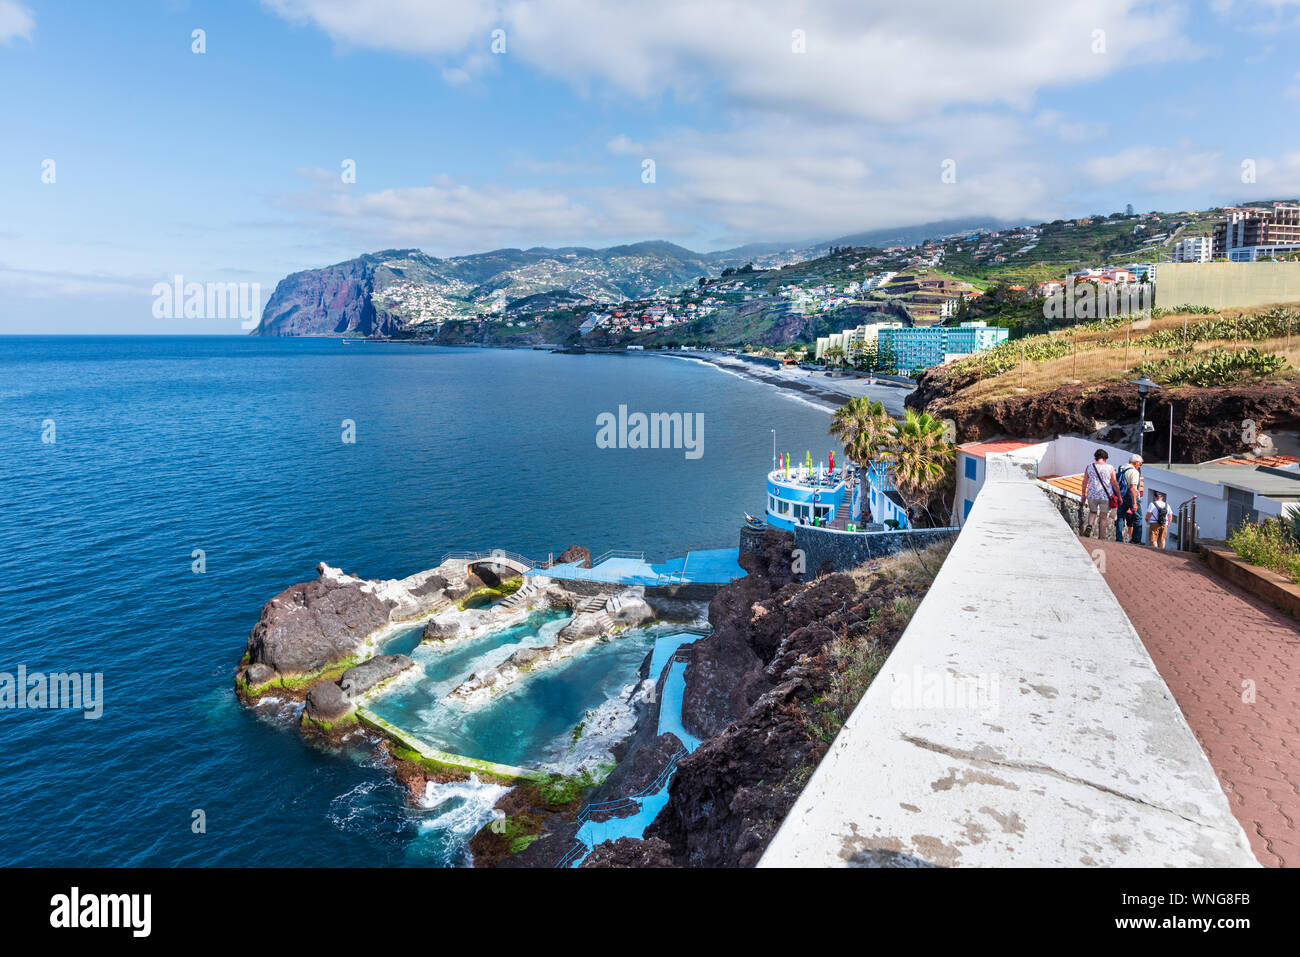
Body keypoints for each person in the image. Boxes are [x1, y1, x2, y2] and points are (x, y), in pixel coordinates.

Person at [1082, 449, 1121, 539]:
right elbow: (1115, 483)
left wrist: (1083, 494)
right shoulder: (1110, 468)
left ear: (1096, 457)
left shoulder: (1089, 467)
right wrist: (1119, 496)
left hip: (1092, 494)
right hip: (1105, 496)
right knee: (1103, 517)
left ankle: (1089, 526)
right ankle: (1101, 538)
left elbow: (1084, 481)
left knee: (1093, 512)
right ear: (1105, 458)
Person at [1115, 454, 1145, 544]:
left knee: (1120, 517)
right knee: (1138, 518)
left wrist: (1119, 496)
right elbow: (1132, 488)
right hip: (1130, 496)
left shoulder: (1121, 468)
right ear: (1136, 463)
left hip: (1121, 495)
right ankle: (1136, 540)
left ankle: (1119, 539)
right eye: (1140, 464)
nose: (1139, 466)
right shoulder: (1134, 472)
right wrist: (1135, 503)